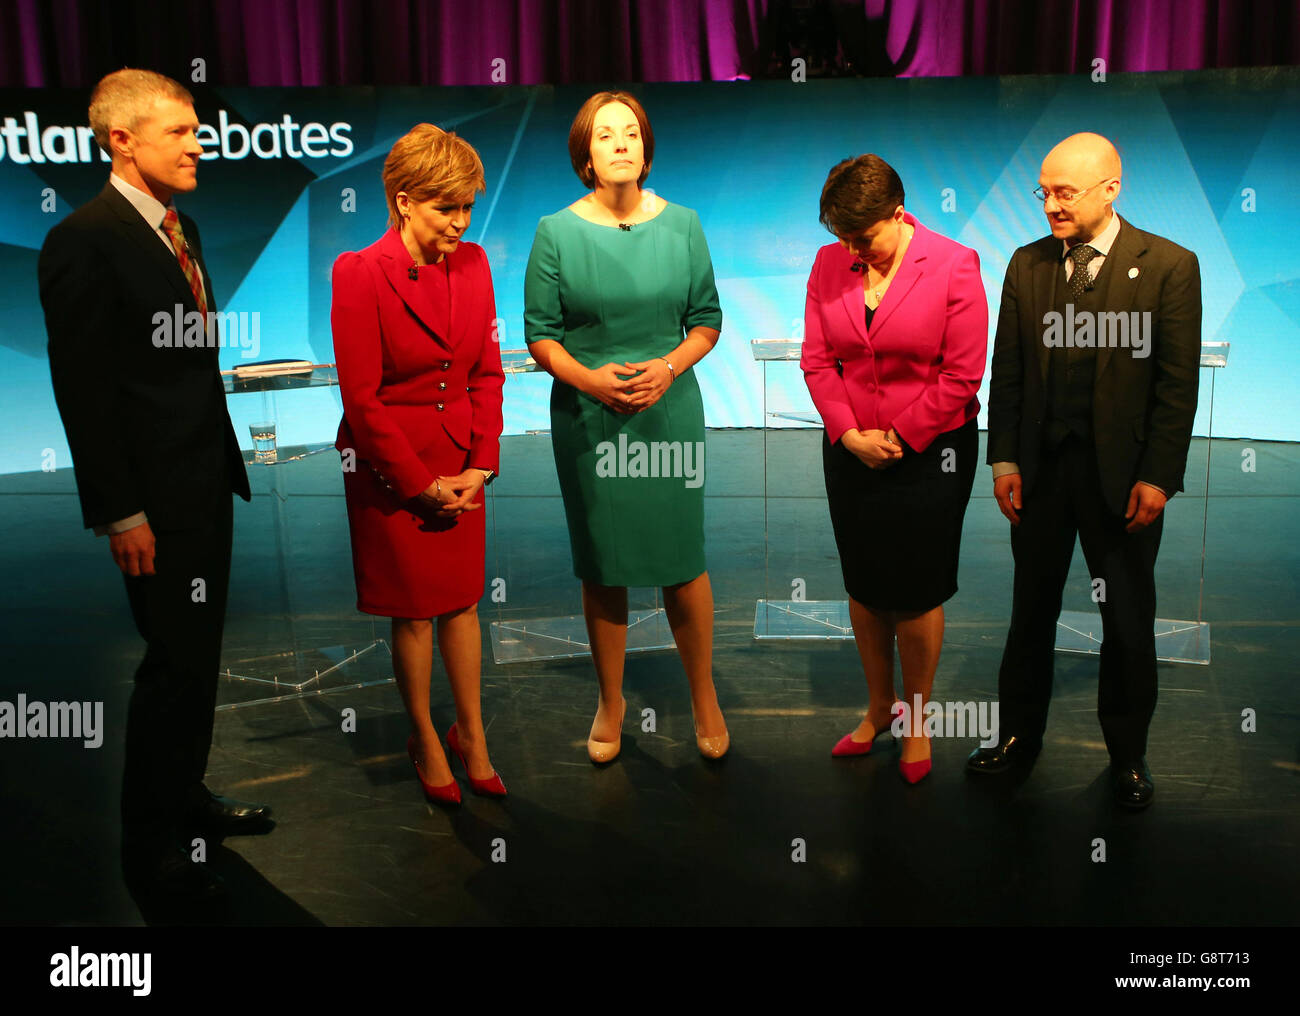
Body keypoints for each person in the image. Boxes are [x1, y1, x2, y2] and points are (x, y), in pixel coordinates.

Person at [39, 69, 268, 901]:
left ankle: (187, 796)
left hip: (208, 482)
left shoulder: (183, 226)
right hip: (152, 505)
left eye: (197, 131)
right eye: (181, 132)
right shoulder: (84, 241)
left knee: (199, 655)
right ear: (122, 140)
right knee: (172, 662)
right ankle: (151, 835)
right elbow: (84, 392)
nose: (198, 145)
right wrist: (121, 511)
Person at [969, 133, 1201, 809]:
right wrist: (1005, 456)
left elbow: (1174, 385)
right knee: (1029, 614)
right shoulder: (1027, 265)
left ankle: (1128, 755)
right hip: (1041, 478)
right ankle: (1018, 738)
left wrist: (1158, 476)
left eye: (1063, 192)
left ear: (1110, 188)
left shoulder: (1169, 266)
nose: (1050, 205)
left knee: (1127, 622)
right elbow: (1007, 371)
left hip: (1123, 484)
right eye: (1043, 192)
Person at [523, 91, 729, 763]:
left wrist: (668, 368)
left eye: (631, 133)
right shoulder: (555, 231)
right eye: (606, 134)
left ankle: (703, 695)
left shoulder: (686, 225)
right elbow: (540, 336)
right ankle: (610, 702)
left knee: (681, 561)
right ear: (585, 152)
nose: (620, 143)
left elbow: (706, 320)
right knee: (604, 567)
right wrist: (587, 380)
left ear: (645, 147)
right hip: (589, 417)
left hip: (668, 413)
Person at [331, 124, 506, 805]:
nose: (461, 221)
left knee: (462, 605)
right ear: (404, 203)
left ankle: (473, 736)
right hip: (391, 470)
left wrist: (480, 466)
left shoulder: (476, 263)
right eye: (445, 208)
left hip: (461, 466)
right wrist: (418, 485)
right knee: (414, 615)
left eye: (466, 206)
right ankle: (425, 739)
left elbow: (487, 374)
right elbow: (362, 399)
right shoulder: (359, 272)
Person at [801, 154, 988, 784]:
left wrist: (901, 436)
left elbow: (962, 376)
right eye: (842, 238)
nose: (852, 249)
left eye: (864, 237)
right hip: (851, 448)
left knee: (915, 590)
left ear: (899, 215)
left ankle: (917, 719)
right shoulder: (830, 262)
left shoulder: (956, 264)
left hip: (933, 452)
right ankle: (879, 707)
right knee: (865, 583)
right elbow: (818, 360)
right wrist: (849, 433)